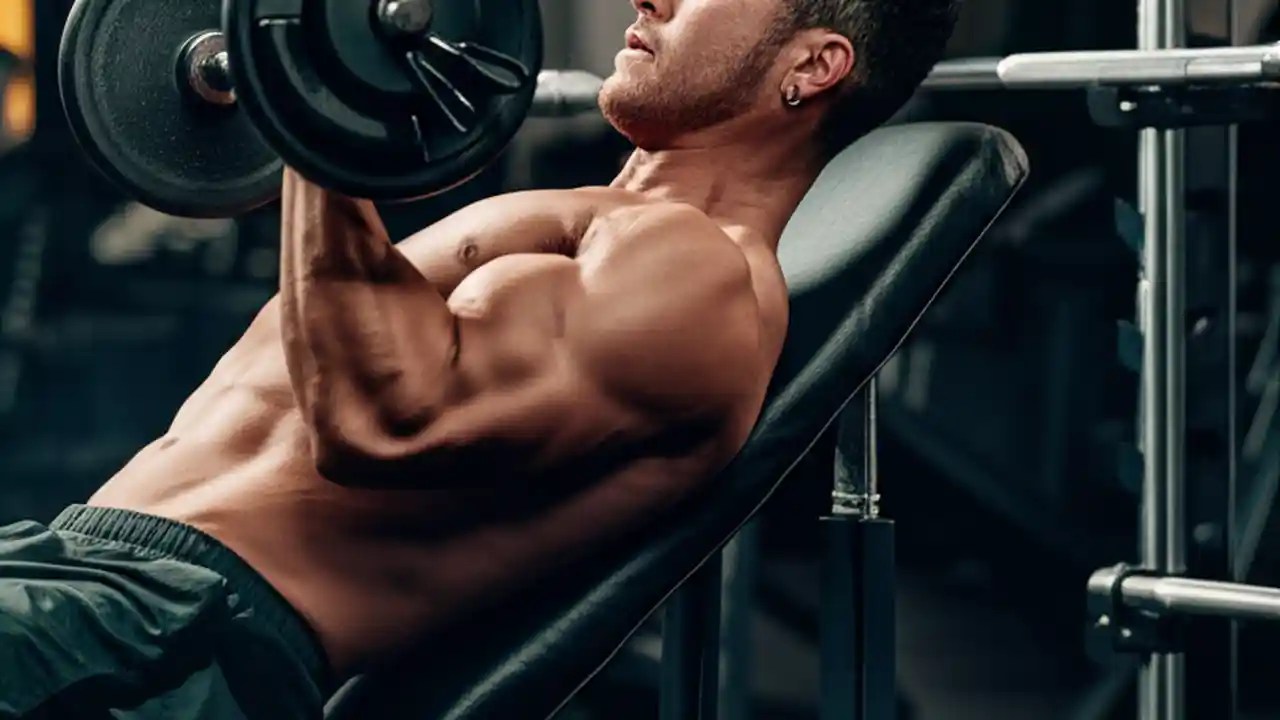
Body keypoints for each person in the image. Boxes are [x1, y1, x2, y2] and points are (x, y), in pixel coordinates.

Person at [0, 0, 959, 717]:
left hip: (163, 641)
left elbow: (388, 419)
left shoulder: (700, 274)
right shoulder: (608, 226)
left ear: (814, 65)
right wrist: (302, 89)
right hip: (84, 576)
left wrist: (310, 93)